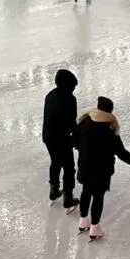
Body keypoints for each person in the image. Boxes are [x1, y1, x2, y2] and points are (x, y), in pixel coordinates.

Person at [75, 97, 130, 240]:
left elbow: (75, 141)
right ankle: (94, 228)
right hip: (101, 170)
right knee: (98, 197)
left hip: (85, 165)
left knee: (86, 191)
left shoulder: (84, 122)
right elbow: (122, 154)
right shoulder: (109, 130)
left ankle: (83, 221)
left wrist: (83, 151)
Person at [42, 69, 80, 210]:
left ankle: (53, 191)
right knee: (69, 167)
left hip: (47, 137)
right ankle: (68, 199)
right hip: (61, 138)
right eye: (73, 87)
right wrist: (77, 139)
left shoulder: (50, 95)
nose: (74, 90)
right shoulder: (70, 99)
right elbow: (71, 123)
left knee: (56, 162)